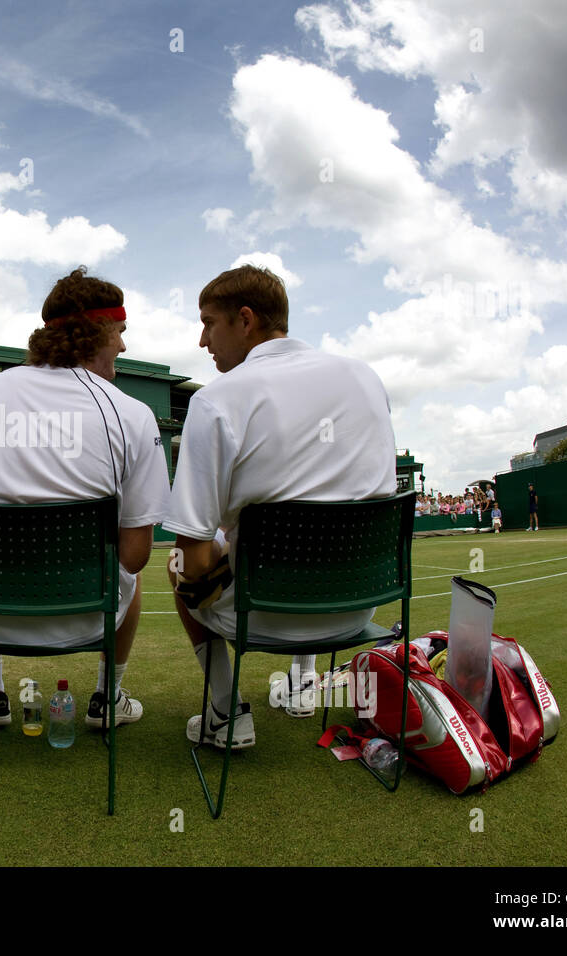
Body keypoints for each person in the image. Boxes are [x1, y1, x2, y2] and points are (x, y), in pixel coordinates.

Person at [162, 265, 396, 750]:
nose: (203, 340)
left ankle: (226, 713)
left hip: (261, 613)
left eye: (209, 323)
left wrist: (223, 552)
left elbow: (193, 550)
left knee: (179, 562)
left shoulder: (216, 399)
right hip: (357, 608)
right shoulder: (366, 377)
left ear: (245, 320)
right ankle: (304, 682)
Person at [0, 267, 170, 729]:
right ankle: (107, 698)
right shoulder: (132, 414)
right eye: (120, 332)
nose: (123, 345)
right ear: (96, 332)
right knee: (129, 582)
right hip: (86, 618)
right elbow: (135, 558)